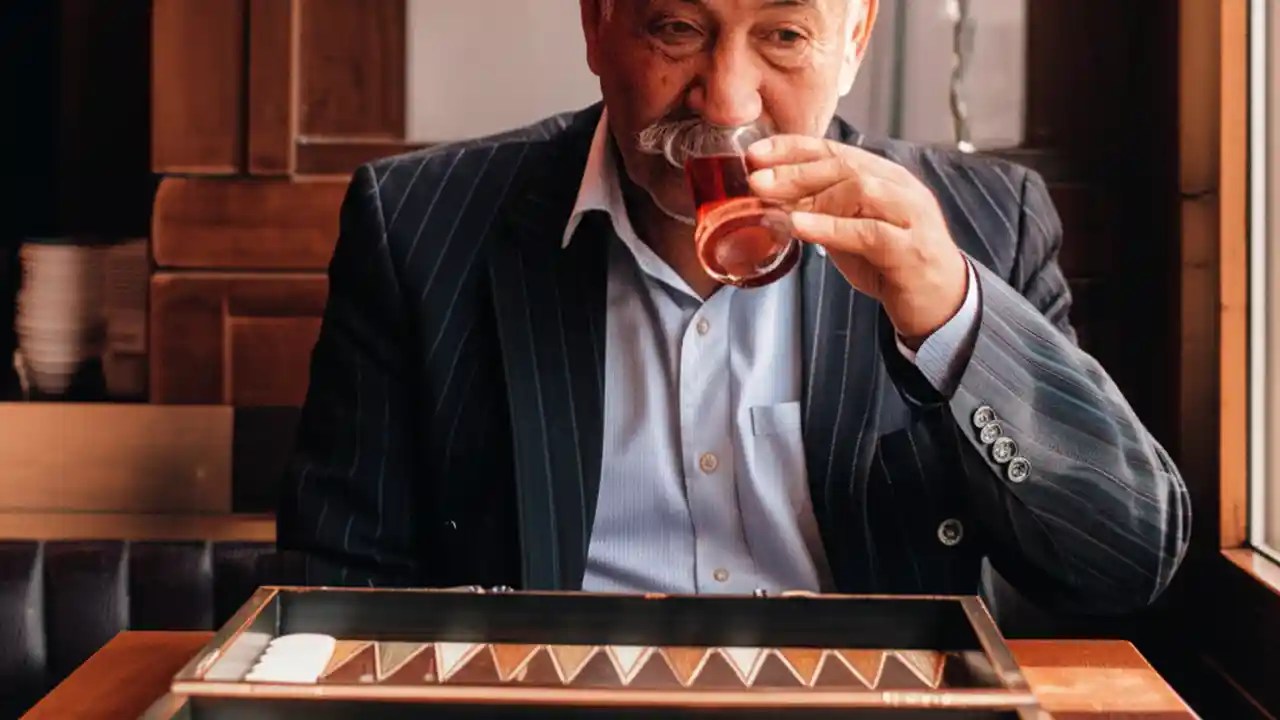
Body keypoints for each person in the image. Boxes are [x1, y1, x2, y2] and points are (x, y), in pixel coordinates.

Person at [277, 0, 1190, 615]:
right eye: (677, 27)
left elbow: (1125, 570)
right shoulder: (418, 227)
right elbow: (337, 591)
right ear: (597, 24)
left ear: (856, 36)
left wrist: (954, 321)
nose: (727, 102)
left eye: (784, 36)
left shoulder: (986, 226)